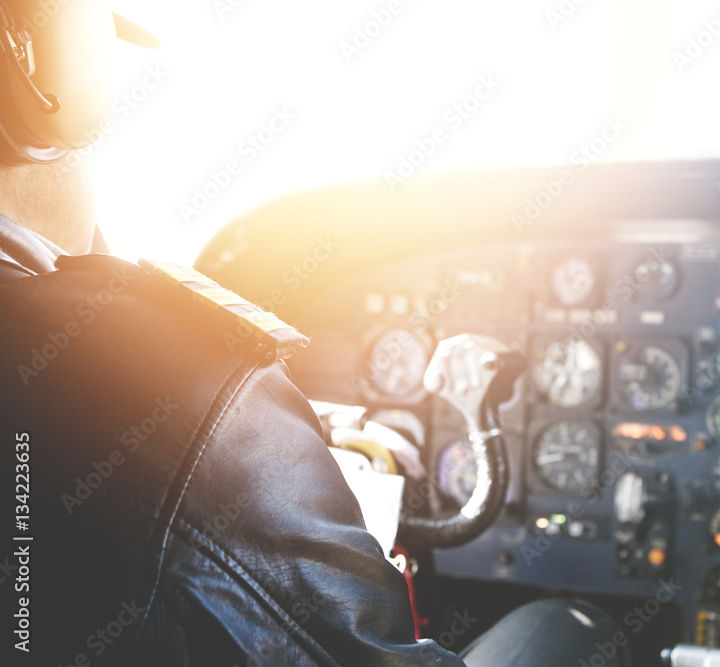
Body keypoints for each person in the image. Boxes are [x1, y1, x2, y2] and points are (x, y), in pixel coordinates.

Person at [0, 2, 631, 665]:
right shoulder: (182, 389)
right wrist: (250, 443)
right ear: (43, 61)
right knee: (567, 626)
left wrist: (295, 441)